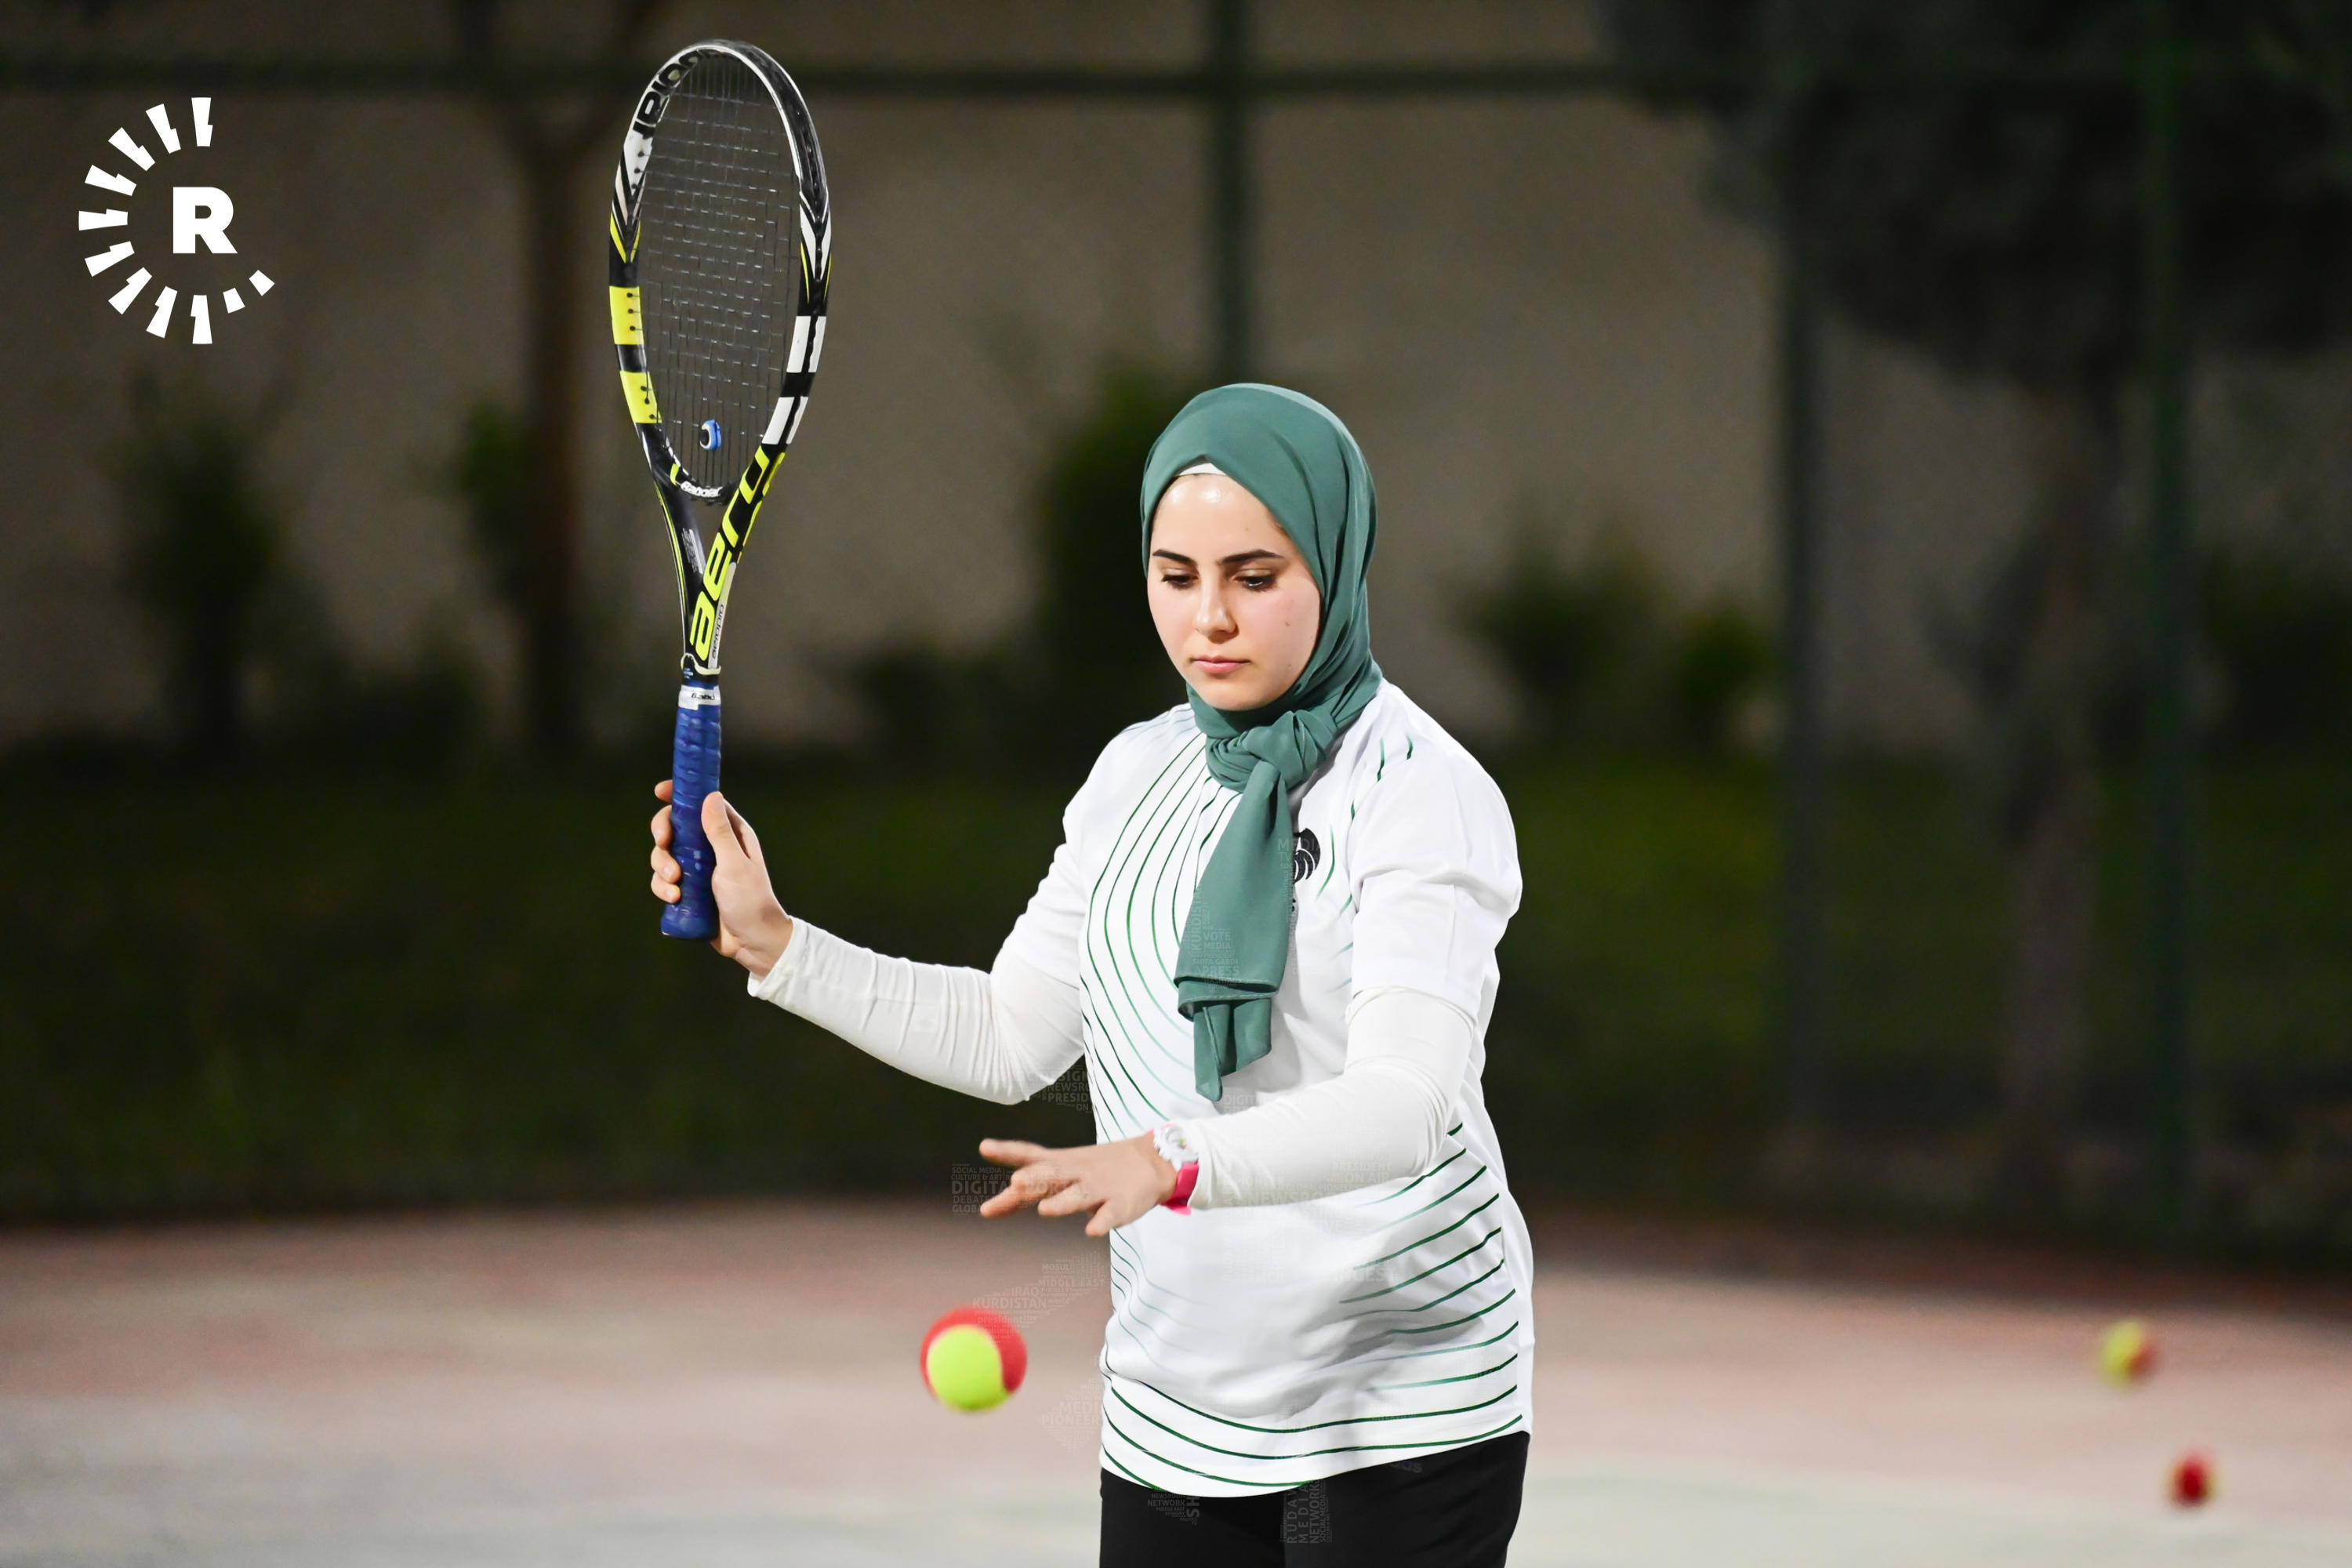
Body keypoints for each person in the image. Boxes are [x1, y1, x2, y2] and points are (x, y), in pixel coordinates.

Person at [650, 384, 1531, 1565]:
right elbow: (1014, 1038)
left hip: (1404, 1414)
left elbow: (1405, 1107)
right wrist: (780, 946)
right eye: (1177, 576)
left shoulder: (1425, 794)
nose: (1209, 618)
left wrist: (1167, 1162)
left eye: (1255, 577)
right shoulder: (1137, 776)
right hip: (1175, 1417)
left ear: (1336, 561)